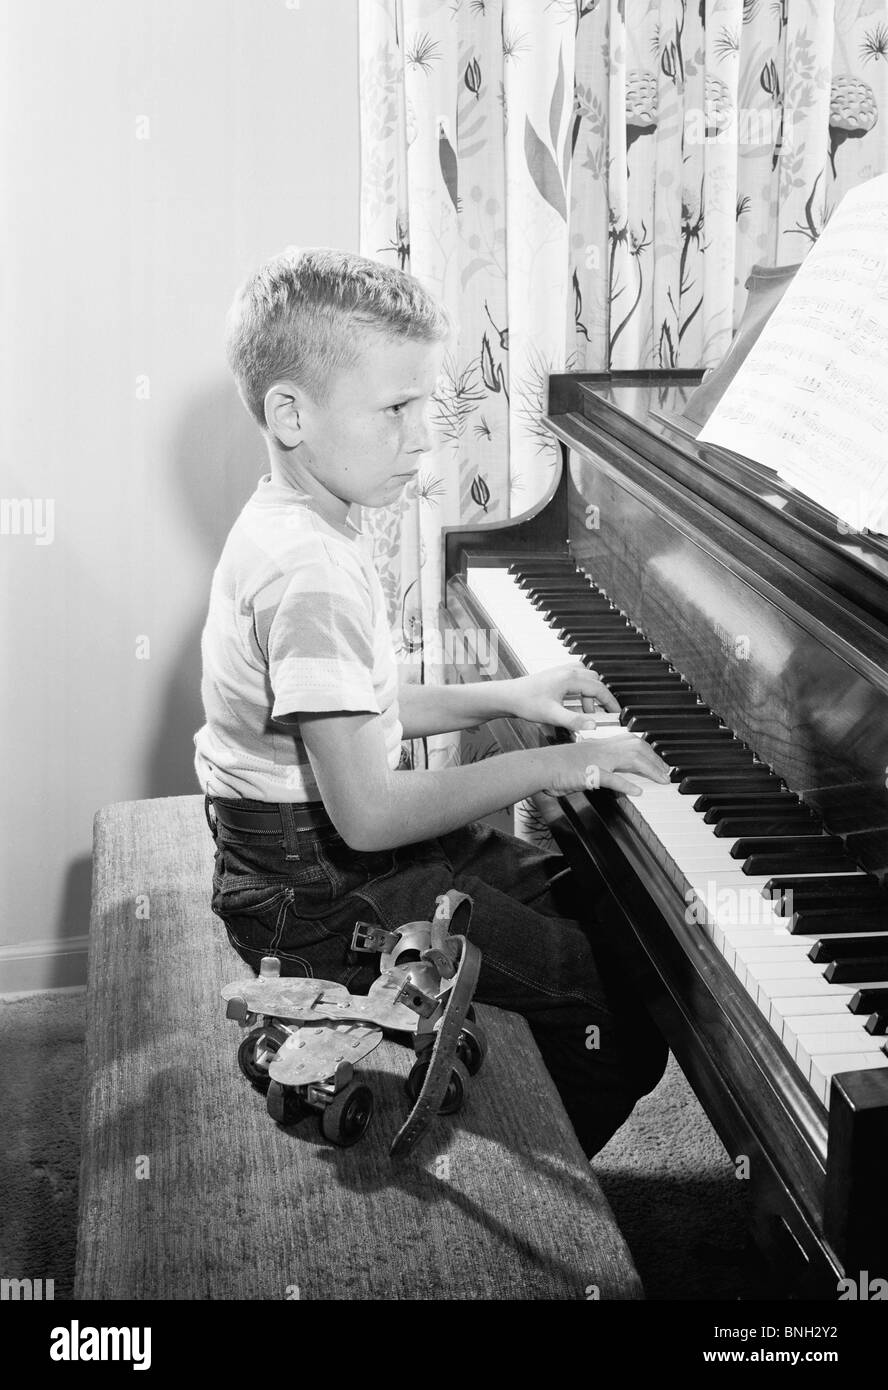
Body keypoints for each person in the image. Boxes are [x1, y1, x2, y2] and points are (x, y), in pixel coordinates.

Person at [194, 247, 669, 1157]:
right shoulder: (311, 575)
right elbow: (370, 816)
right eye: (396, 409)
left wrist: (512, 692)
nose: (425, 436)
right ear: (291, 414)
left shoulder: (301, 523)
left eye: (427, 405)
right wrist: (564, 760)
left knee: (578, 898)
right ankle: (504, 1161)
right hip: (322, 896)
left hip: (315, 861)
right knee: (615, 1005)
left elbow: (367, 709)